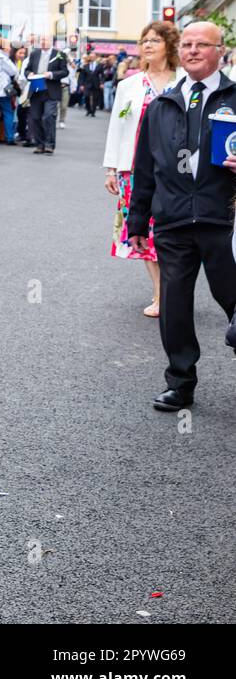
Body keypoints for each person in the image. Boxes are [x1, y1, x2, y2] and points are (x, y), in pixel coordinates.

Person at [128, 21, 236, 413]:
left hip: (224, 221)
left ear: (219, 51)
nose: (191, 50)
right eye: (187, 44)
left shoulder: (234, 97)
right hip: (173, 220)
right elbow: (144, 167)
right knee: (174, 306)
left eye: (201, 45)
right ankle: (179, 382)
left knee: (234, 300)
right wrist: (137, 223)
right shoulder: (163, 104)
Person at [104, 21, 183, 319]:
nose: (147, 45)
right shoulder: (129, 85)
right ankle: (160, 293)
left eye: (155, 40)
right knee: (144, 233)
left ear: (169, 45)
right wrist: (111, 169)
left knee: (170, 231)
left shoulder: (185, 82)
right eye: (144, 41)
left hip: (175, 169)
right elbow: (117, 127)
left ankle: (171, 291)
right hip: (133, 169)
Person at [24, 37, 67, 154]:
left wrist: (52, 74)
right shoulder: (34, 53)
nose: (43, 42)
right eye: (41, 40)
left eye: (45, 40)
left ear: (51, 42)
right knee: (36, 117)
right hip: (37, 88)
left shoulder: (60, 54)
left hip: (51, 90)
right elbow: (26, 70)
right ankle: (39, 144)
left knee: (48, 116)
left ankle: (49, 144)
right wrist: (29, 74)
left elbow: (65, 71)